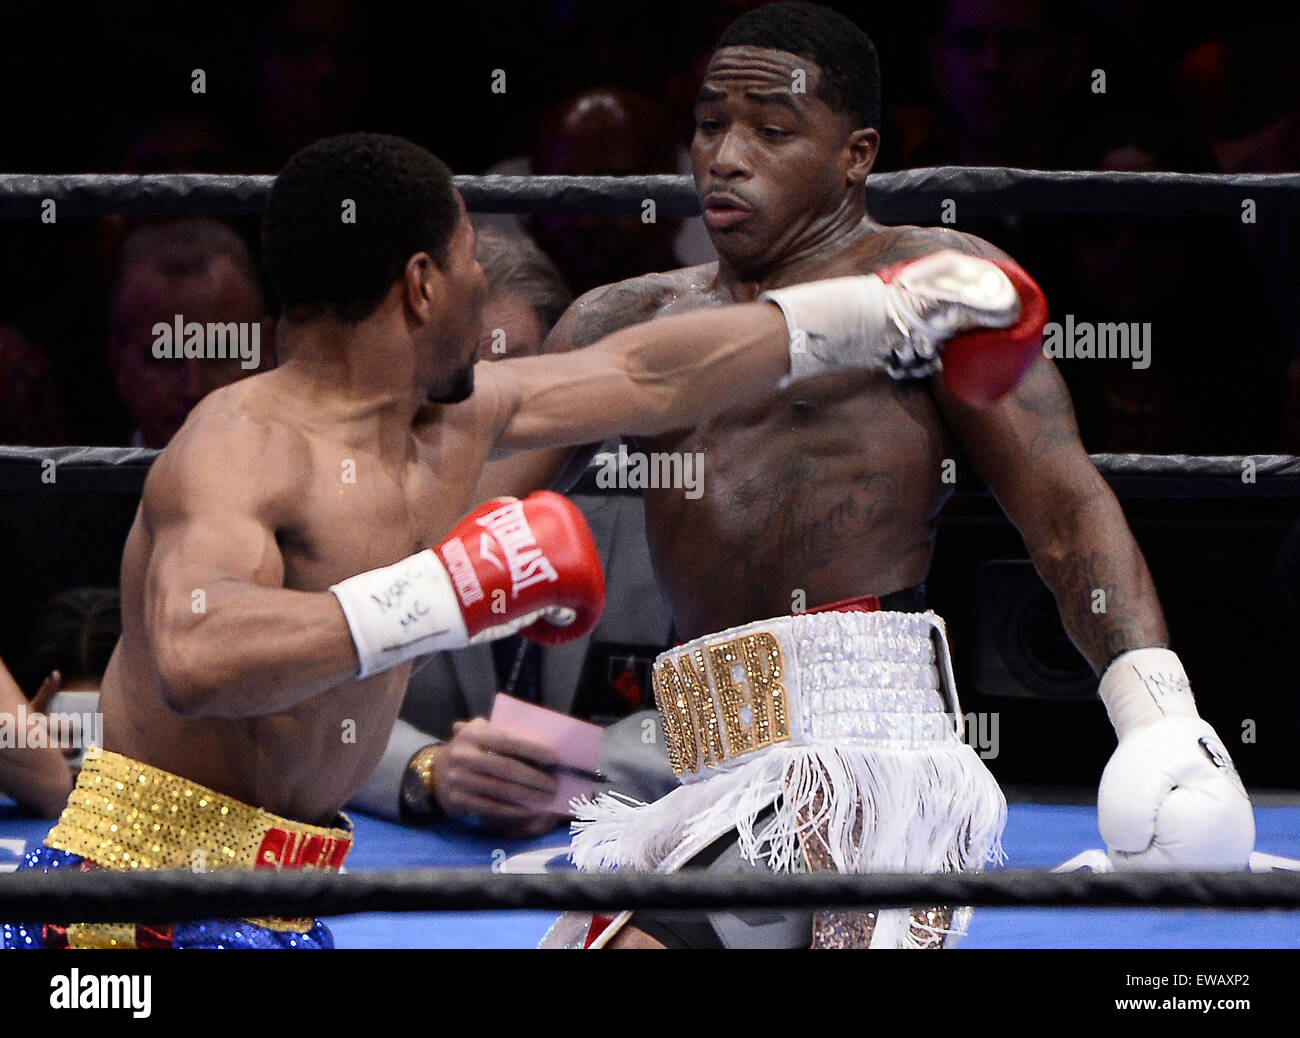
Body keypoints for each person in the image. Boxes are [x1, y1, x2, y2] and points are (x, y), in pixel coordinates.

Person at [2, 132, 1032, 949]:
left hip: (278, 896)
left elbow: (651, 373)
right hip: (131, 911)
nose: (479, 292)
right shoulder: (240, 446)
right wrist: (446, 595)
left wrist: (880, 310)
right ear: (419, 285)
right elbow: (195, 654)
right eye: (463, 263)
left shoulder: (449, 420)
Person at [535, 2, 1254, 950]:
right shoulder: (625, 317)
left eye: (773, 130)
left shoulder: (933, 281)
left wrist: (1156, 716)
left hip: (872, 755)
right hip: (702, 767)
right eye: (711, 125)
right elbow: (474, 485)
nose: (726, 155)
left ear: (856, 153)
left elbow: (1063, 504)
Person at [350, 229, 674, 834]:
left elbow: (739, 712)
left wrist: (576, 772)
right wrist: (425, 768)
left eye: (515, 376)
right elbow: (295, 702)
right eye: (462, 375)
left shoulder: (658, 504)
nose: (488, 406)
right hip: (415, 865)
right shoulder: (355, 502)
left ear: (562, 383)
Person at [106, 219, 272, 448]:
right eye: (165, 358)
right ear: (120, 367)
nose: (193, 389)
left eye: (220, 353)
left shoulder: (326, 479)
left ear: (267, 350)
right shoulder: (71, 482)